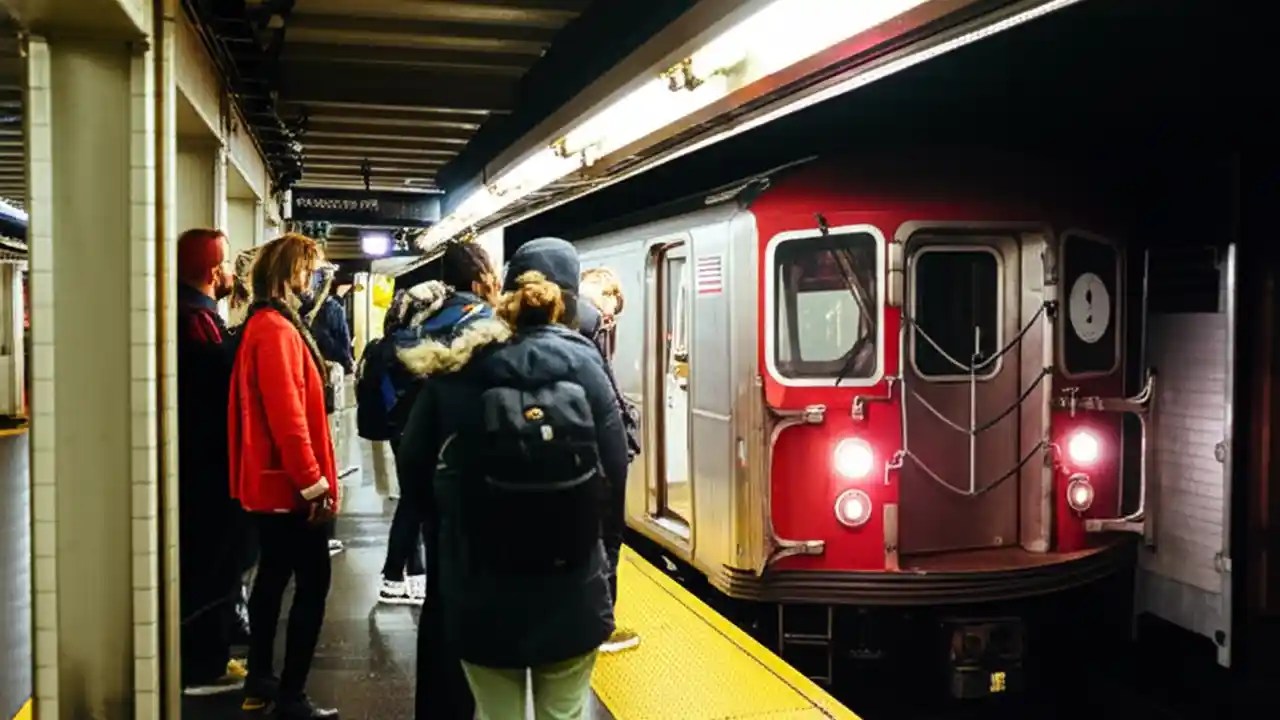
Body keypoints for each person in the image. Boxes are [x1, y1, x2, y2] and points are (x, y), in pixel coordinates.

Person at [398, 236, 625, 720]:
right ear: (568, 300)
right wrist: (606, 570)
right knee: (562, 713)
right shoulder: (588, 365)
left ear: (505, 294)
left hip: (479, 590)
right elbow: (615, 471)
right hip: (572, 589)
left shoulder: (458, 362)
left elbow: (413, 467)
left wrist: (448, 539)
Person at [228, 233, 340, 720]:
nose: (312, 280)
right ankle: (291, 695)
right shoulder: (275, 329)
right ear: (291, 273)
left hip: (274, 486)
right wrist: (313, 483)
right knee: (313, 584)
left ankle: (260, 679)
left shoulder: (264, 323)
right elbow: (287, 414)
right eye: (309, 271)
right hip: (288, 489)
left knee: (273, 578)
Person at [369, 240, 501, 607]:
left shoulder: (424, 315)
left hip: (407, 423)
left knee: (417, 503)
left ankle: (411, 579)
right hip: (456, 440)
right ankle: (419, 581)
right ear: (479, 280)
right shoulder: (484, 321)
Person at [176, 228, 246, 695]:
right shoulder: (197, 321)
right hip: (207, 466)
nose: (230, 275)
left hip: (195, 462)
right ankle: (204, 665)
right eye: (225, 266)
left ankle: (209, 651)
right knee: (211, 564)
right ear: (212, 271)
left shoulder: (189, 314)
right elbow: (215, 390)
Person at [578, 265, 643, 654]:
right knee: (606, 544)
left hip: (584, 464)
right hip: (600, 467)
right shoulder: (585, 335)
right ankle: (601, 629)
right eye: (611, 308)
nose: (610, 319)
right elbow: (603, 406)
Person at [299, 263, 355, 557]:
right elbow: (343, 352)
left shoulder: (291, 313)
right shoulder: (332, 308)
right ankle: (325, 531)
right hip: (327, 393)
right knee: (327, 457)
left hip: (302, 392)